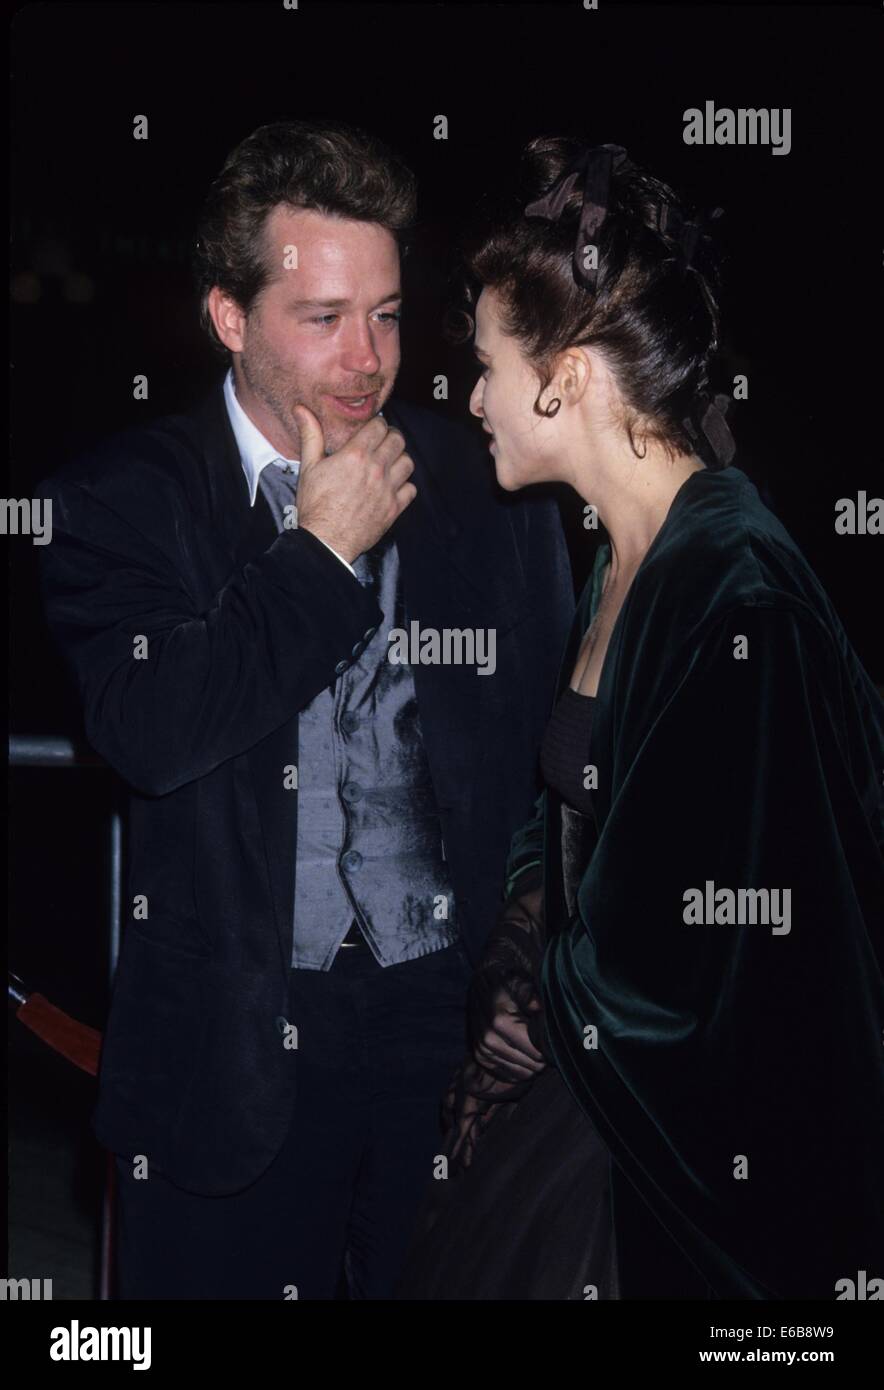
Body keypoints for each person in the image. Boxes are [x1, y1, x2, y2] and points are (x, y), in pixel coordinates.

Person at [34, 120, 573, 1299]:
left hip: (445, 1030)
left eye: (383, 312)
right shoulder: (123, 501)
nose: (365, 356)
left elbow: (556, 767)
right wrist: (321, 553)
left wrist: (536, 972)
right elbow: (151, 728)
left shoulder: (488, 491)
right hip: (234, 1038)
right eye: (321, 317)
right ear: (231, 317)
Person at [396, 139, 884, 1300]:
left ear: (562, 373)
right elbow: (568, 816)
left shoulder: (735, 587)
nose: (468, 398)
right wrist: (519, 956)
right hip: (585, 1097)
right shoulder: (621, 557)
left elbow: (733, 944)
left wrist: (542, 1009)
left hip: (678, 1162)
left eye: (483, 364)